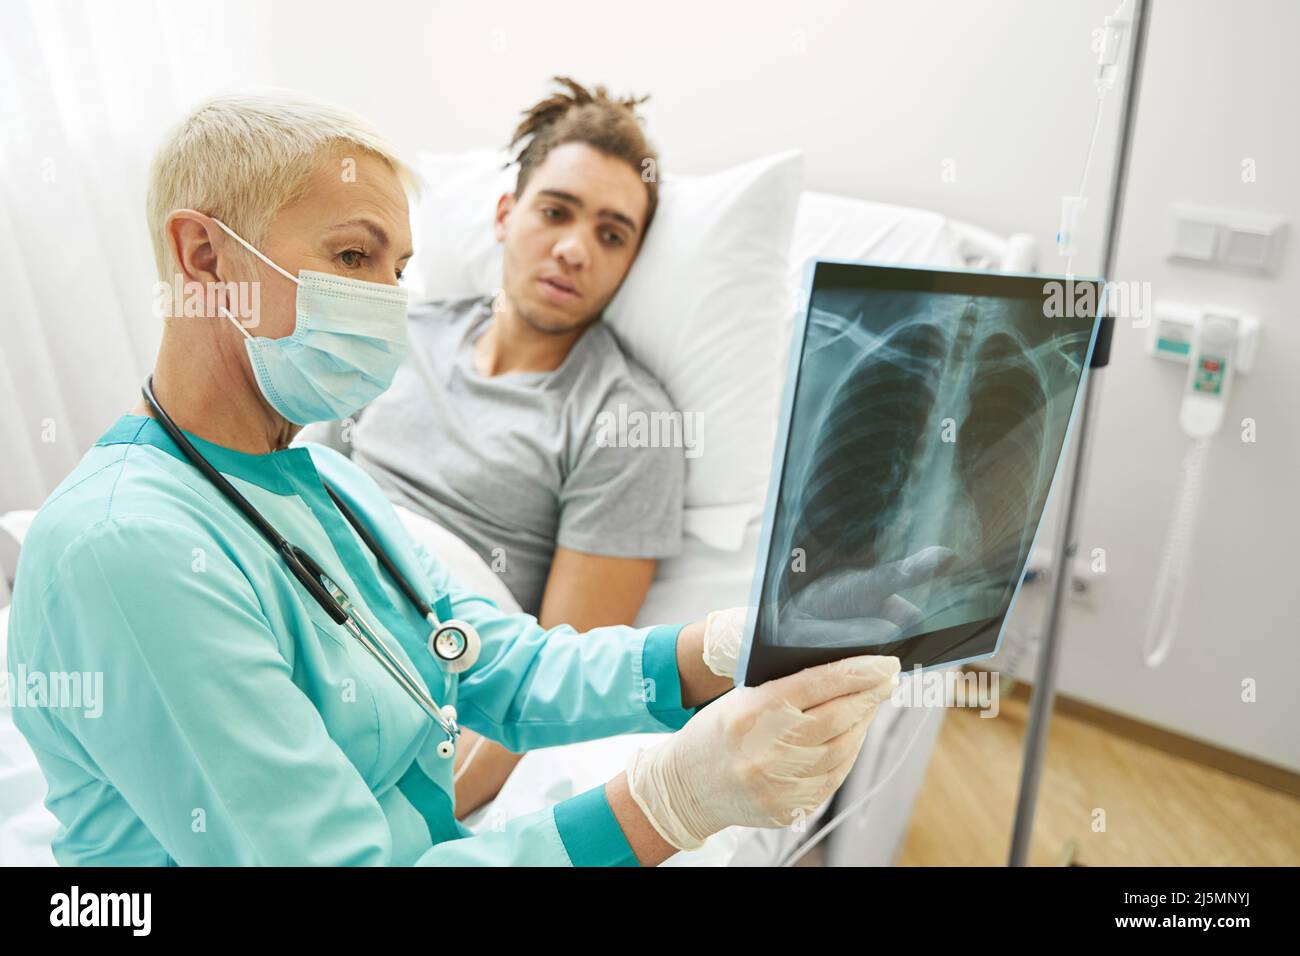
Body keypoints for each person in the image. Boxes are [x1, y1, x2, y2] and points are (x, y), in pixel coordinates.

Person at [5, 92, 910, 866]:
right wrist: (665, 801)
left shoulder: (321, 480)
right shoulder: (130, 553)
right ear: (205, 258)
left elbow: (497, 662)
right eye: (354, 258)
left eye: (399, 270)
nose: (388, 303)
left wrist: (719, 645)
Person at [300, 78, 684, 813]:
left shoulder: (626, 423)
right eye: (556, 212)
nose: (575, 250)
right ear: (506, 214)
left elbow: (557, 683)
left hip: (417, 683)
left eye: (612, 234)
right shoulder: (399, 334)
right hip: (297, 617)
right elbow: (290, 489)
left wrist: (404, 817)